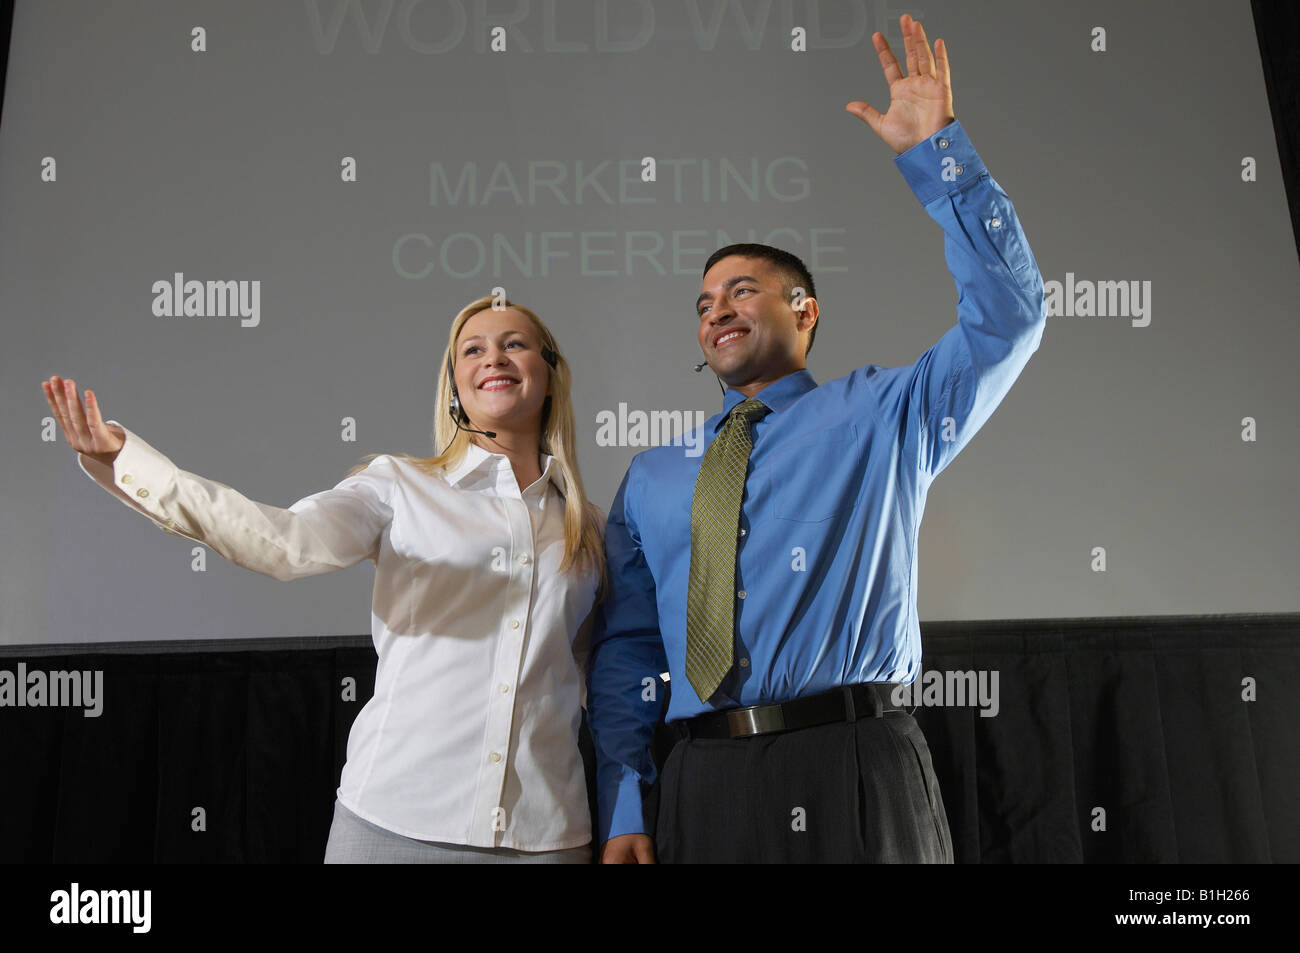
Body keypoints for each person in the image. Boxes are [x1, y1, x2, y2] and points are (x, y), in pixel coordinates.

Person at [587, 14, 1046, 863]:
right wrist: (624, 801)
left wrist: (939, 152)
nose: (717, 309)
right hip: (702, 783)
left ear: (806, 312)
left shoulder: (883, 415)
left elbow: (1009, 317)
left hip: (856, 765)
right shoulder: (652, 475)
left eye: (743, 289)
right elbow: (629, 651)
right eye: (703, 303)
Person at [42, 295, 606, 864]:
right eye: (473, 349)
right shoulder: (397, 486)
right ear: (455, 386)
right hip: (392, 827)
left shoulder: (590, 530)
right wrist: (132, 464)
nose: (495, 359)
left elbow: (596, 680)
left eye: (515, 344)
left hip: (545, 838)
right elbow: (284, 543)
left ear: (551, 374)